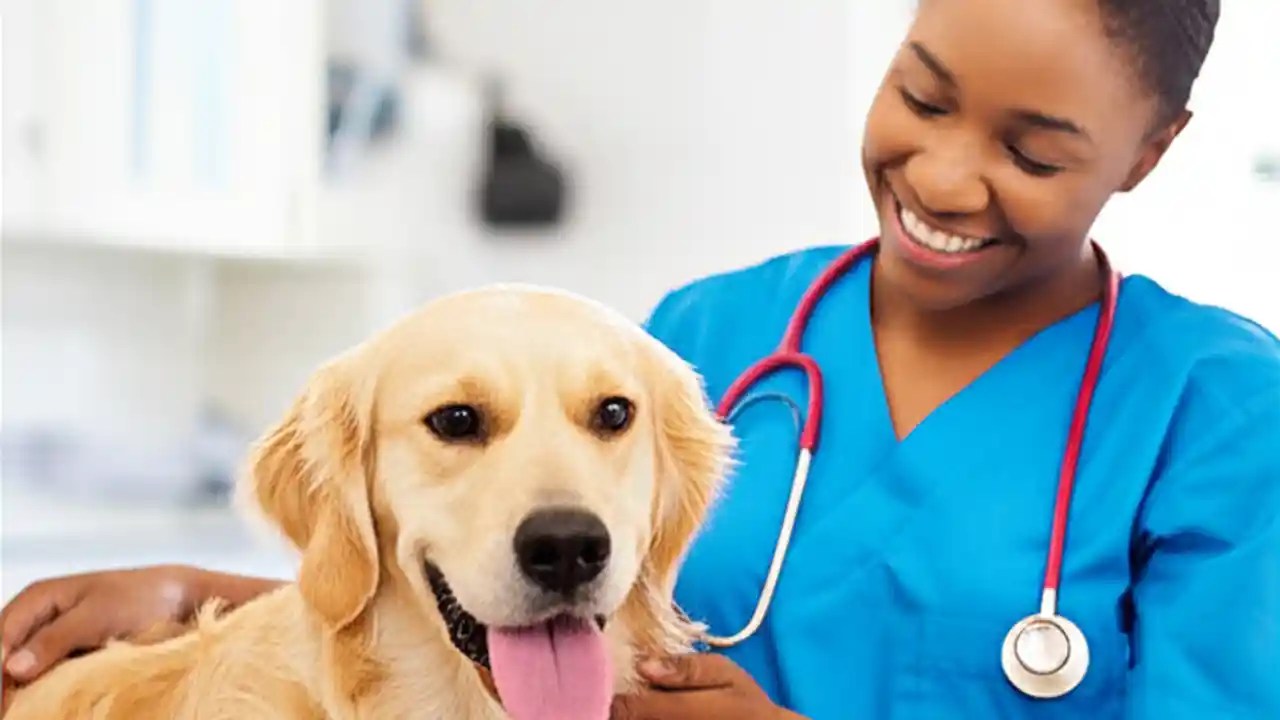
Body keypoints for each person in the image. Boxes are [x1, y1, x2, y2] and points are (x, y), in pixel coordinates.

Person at [3, 0, 1276, 717]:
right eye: (922, 96)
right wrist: (204, 599)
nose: (942, 175)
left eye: (1034, 152)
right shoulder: (701, 341)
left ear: (1147, 153)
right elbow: (522, 597)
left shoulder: (1216, 411)